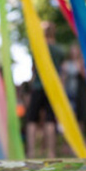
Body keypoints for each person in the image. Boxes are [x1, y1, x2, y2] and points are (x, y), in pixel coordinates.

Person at [24, 21, 63, 158]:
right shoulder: (59, 50)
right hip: (53, 88)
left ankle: (31, 151)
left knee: (31, 120)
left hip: (38, 87)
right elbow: (61, 72)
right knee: (50, 120)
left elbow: (33, 70)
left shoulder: (38, 49)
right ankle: (51, 152)